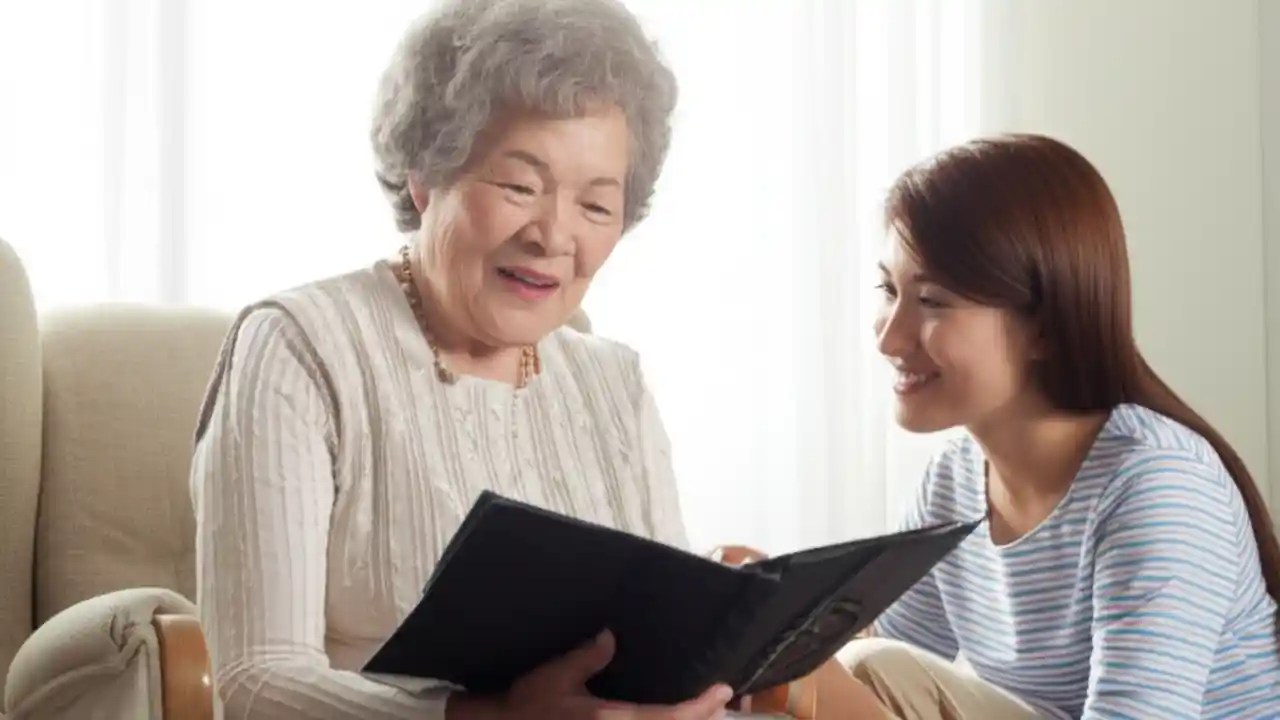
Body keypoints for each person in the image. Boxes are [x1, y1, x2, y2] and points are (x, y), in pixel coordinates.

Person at [189, 1, 735, 718]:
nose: (553, 235)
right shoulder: (300, 345)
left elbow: (666, 644)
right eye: (520, 185)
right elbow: (251, 683)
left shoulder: (614, 383)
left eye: (596, 207)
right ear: (425, 175)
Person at [809, 134, 1280, 718]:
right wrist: (764, 616)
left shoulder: (1159, 485)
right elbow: (872, 672)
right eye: (889, 290)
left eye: (931, 301)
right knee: (860, 666)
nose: (888, 337)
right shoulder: (953, 484)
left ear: (1043, 327)